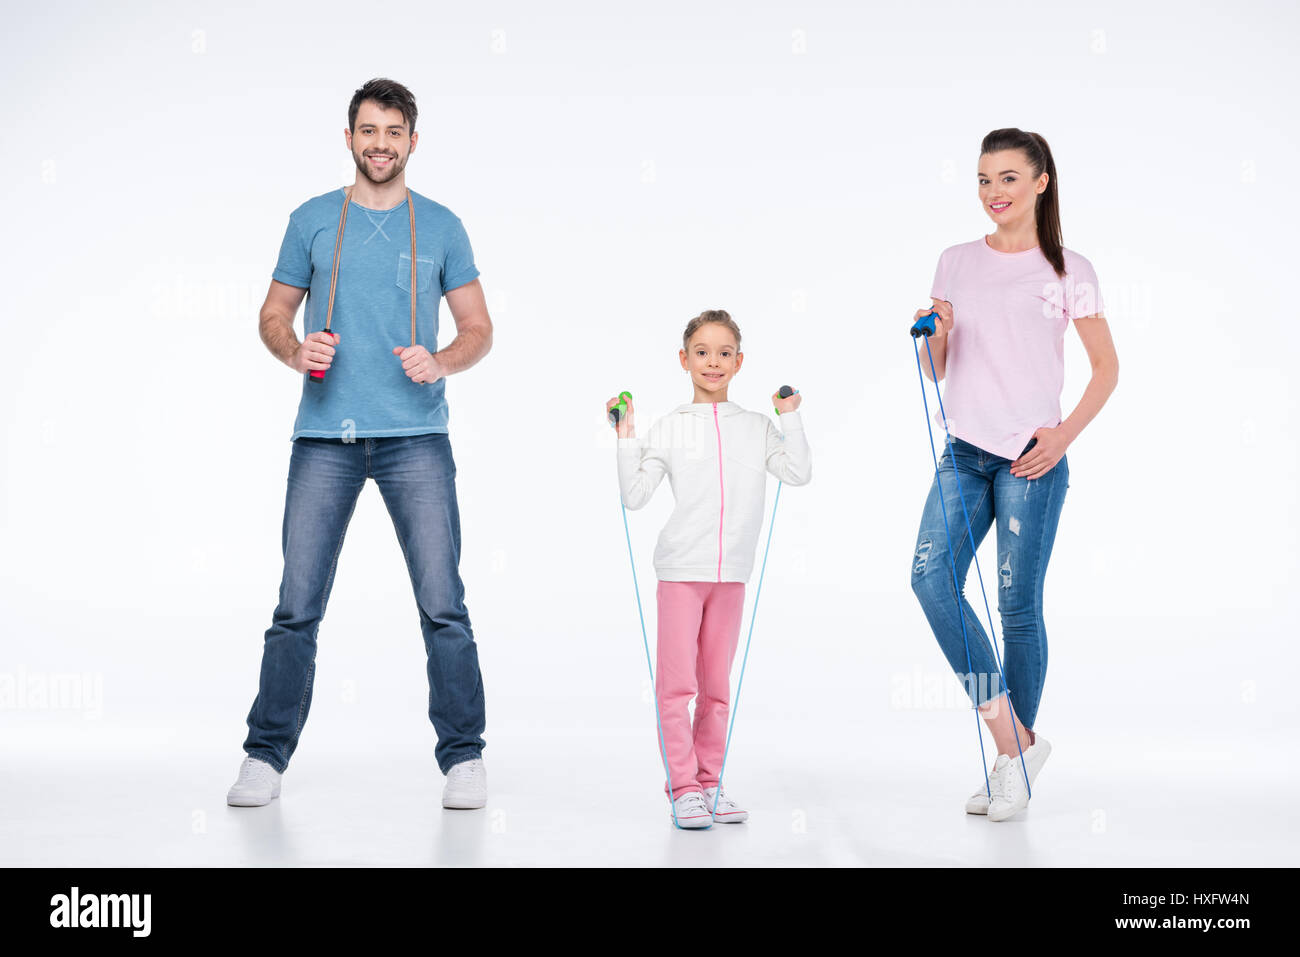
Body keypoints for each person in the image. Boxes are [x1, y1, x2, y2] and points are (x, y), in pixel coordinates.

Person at [227, 78, 493, 810]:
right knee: (296, 605)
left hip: (417, 439)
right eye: (368, 130)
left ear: (413, 140)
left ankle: (463, 755)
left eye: (394, 130)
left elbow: (479, 328)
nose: (381, 143)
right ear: (349, 138)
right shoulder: (312, 220)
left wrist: (441, 359)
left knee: (443, 602)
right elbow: (273, 312)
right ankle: (265, 754)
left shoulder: (441, 226)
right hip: (324, 439)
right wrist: (294, 349)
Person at [909, 128, 1119, 822]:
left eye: (1006, 178)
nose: (992, 193)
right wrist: (930, 334)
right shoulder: (956, 261)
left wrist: (1063, 436)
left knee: (1016, 608)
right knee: (930, 578)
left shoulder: (1069, 269)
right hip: (964, 450)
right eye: (981, 179)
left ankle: (1008, 768)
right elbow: (937, 367)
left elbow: (1107, 368)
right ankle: (1016, 745)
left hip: (1033, 457)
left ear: (1039, 182)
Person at [610, 310, 812, 827]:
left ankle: (710, 783)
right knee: (677, 689)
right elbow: (634, 496)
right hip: (681, 572)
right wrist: (626, 435)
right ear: (684, 360)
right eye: (702, 352)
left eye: (724, 353)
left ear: (739, 362)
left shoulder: (757, 427)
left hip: (732, 576)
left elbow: (799, 471)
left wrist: (790, 415)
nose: (713, 362)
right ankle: (682, 788)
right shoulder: (671, 427)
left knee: (717, 689)